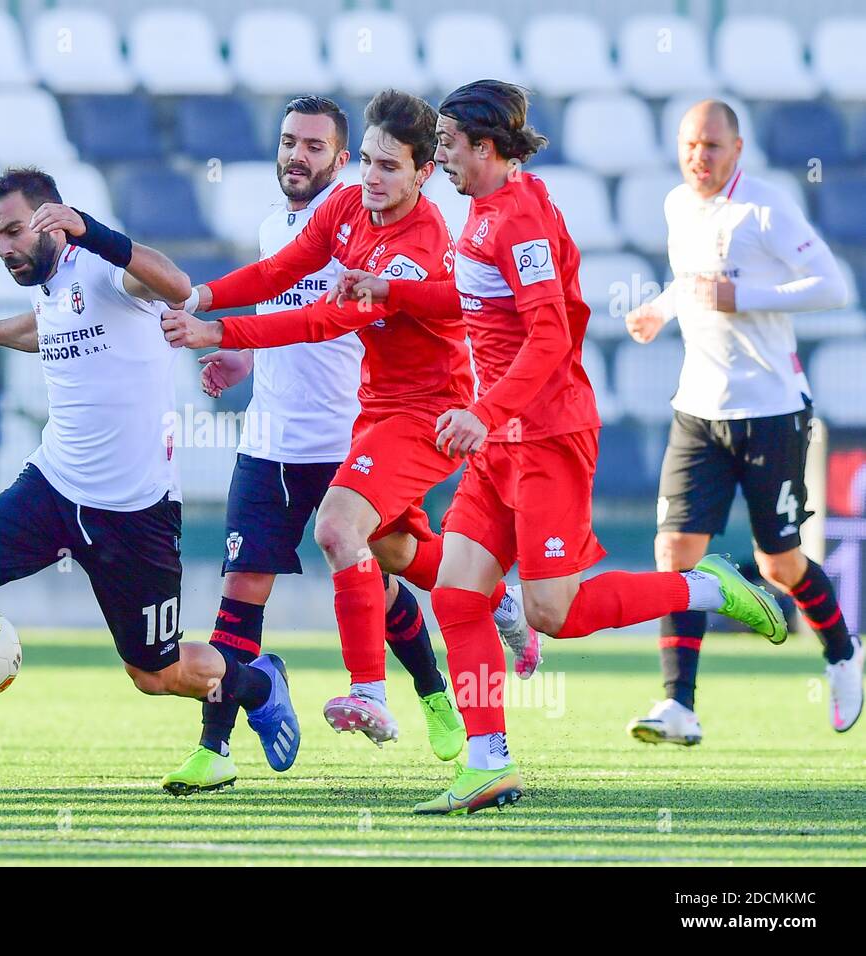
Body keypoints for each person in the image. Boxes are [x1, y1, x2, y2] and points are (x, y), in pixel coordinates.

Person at [329, 80, 788, 814]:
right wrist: (394, 293)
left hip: (545, 436)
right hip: (499, 438)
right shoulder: (484, 209)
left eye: (447, 143)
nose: (437, 154)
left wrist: (485, 410)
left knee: (552, 614)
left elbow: (550, 336)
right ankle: (489, 763)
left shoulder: (519, 221)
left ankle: (708, 587)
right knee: (455, 594)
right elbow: (475, 302)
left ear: (485, 147)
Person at [0, 168, 302, 774]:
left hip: (136, 509)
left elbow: (177, 285)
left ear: (53, 219)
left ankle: (259, 685)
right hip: (52, 485)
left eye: (14, 231)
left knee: (157, 675)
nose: (4, 248)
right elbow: (41, 328)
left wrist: (92, 229)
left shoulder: (104, 266)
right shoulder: (44, 282)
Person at [162, 95, 529, 796]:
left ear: (425, 171)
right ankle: (215, 747)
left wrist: (224, 334)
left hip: (409, 418)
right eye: (367, 161)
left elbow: (326, 320)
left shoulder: (419, 245)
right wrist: (207, 300)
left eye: (388, 166)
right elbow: (281, 277)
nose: (371, 176)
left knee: (354, 545)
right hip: (317, 426)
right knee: (332, 567)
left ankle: (393, 691)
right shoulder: (336, 211)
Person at [623, 99, 860, 744]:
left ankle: (841, 652)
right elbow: (689, 280)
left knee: (779, 563)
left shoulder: (765, 207)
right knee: (674, 552)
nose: (700, 158)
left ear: (738, 149)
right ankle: (679, 705)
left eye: (713, 147)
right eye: (691, 145)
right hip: (698, 408)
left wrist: (742, 297)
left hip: (772, 412)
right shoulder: (677, 205)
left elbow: (832, 286)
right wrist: (660, 310)